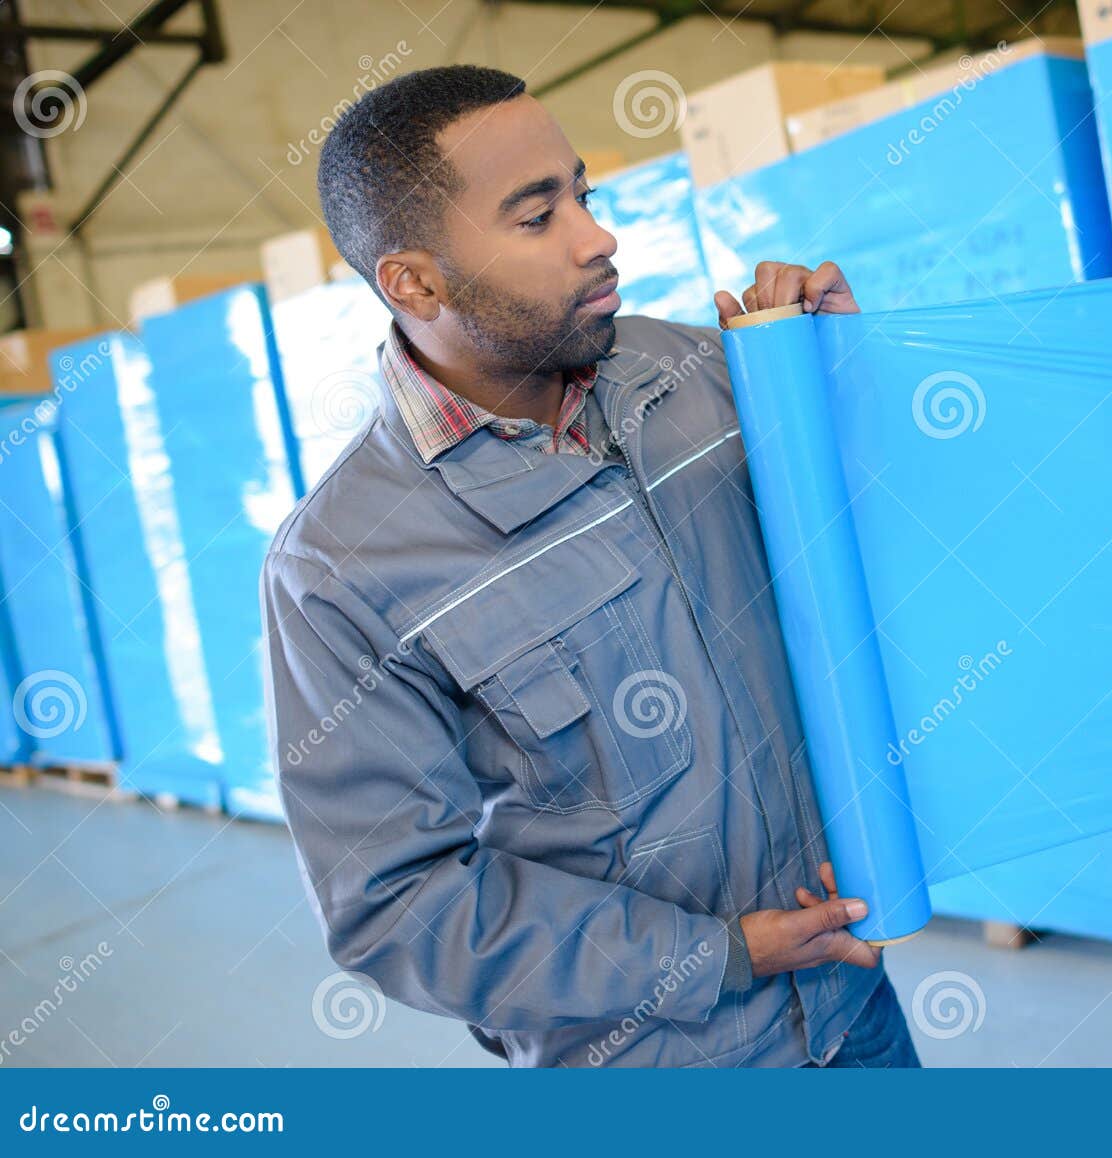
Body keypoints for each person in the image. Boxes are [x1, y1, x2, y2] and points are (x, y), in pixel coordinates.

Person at [261, 64, 922, 1068]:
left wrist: (843, 376)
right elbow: (397, 905)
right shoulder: (342, 567)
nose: (595, 235)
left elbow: (895, 559)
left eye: (584, 193)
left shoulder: (708, 377)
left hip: (853, 1013)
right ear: (414, 281)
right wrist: (716, 955)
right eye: (537, 217)